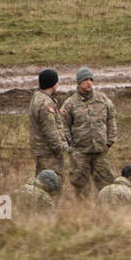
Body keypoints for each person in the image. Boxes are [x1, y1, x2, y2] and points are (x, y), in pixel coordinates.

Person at [61, 67, 116, 196]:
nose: (89, 83)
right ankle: (82, 212)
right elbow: (63, 127)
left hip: (100, 152)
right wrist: (71, 149)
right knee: (81, 188)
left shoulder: (102, 99)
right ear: (79, 82)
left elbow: (111, 120)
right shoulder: (70, 104)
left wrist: (109, 142)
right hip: (80, 153)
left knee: (107, 186)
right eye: (85, 80)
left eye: (91, 80)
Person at [29, 68, 69, 190]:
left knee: (41, 182)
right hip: (49, 152)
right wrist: (60, 148)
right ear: (52, 84)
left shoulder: (37, 97)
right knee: (52, 184)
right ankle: (48, 207)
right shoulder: (47, 103)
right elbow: (50, 130)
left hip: (41, 150)